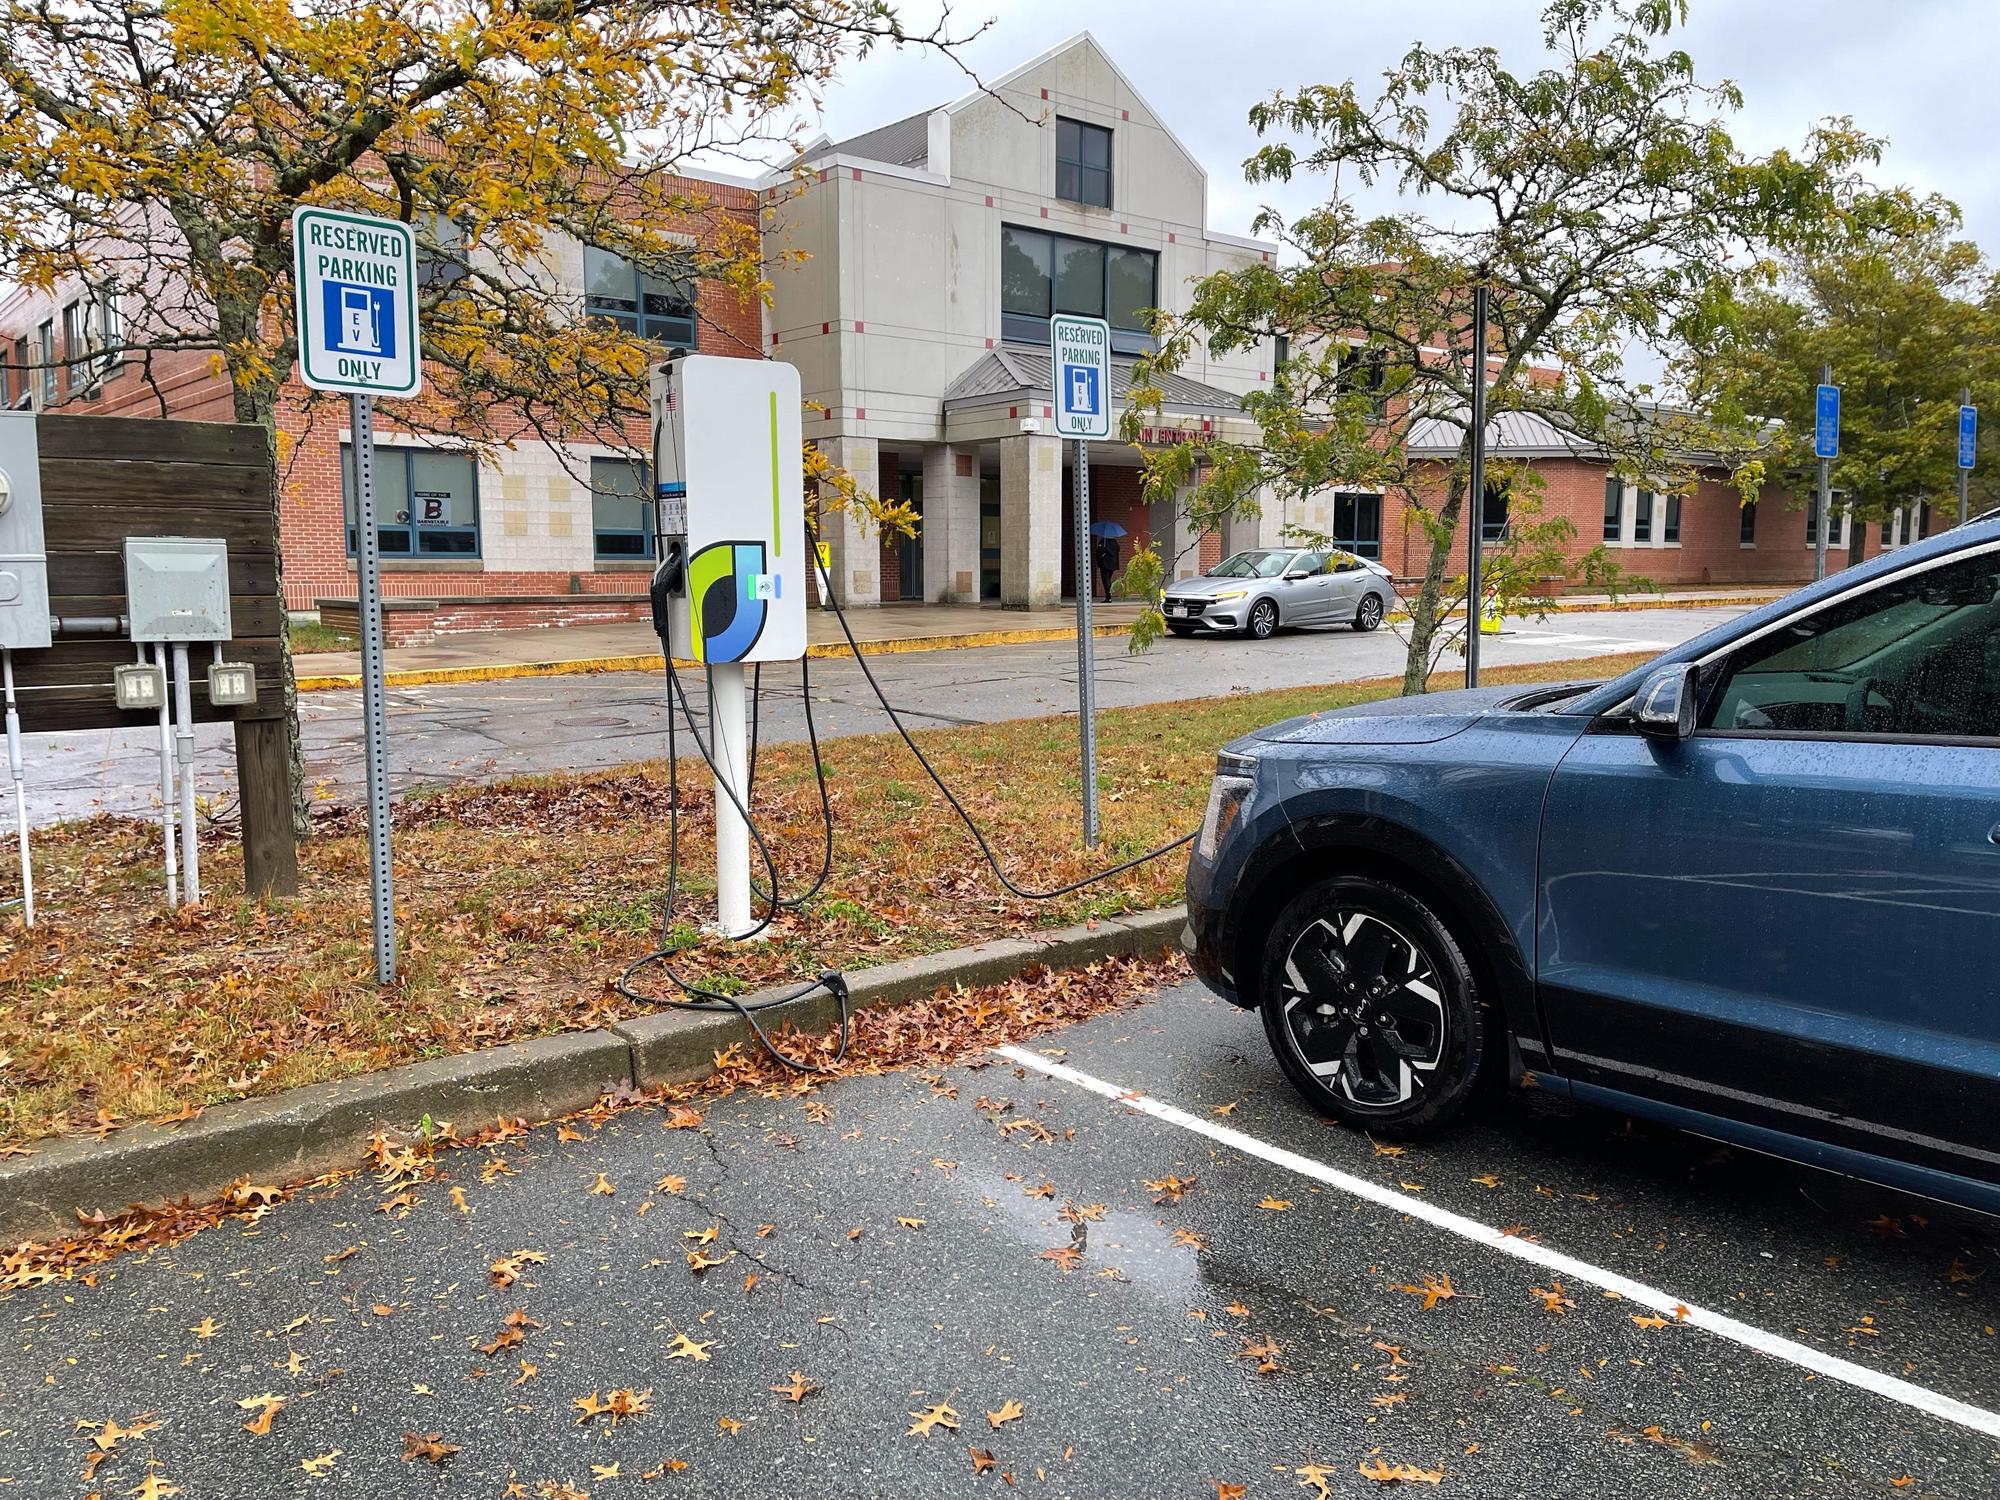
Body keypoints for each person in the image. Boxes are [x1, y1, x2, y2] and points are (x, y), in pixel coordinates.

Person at [1093, 533, 1120, 601]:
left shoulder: (1103, 541)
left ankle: (1108, 597)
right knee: (1108, 579)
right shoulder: (1115, 542)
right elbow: (1118, 549)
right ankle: (1109, 595)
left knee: (1105, 580)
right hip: (1113, 564)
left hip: (1105, 563)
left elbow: (1099, 551)